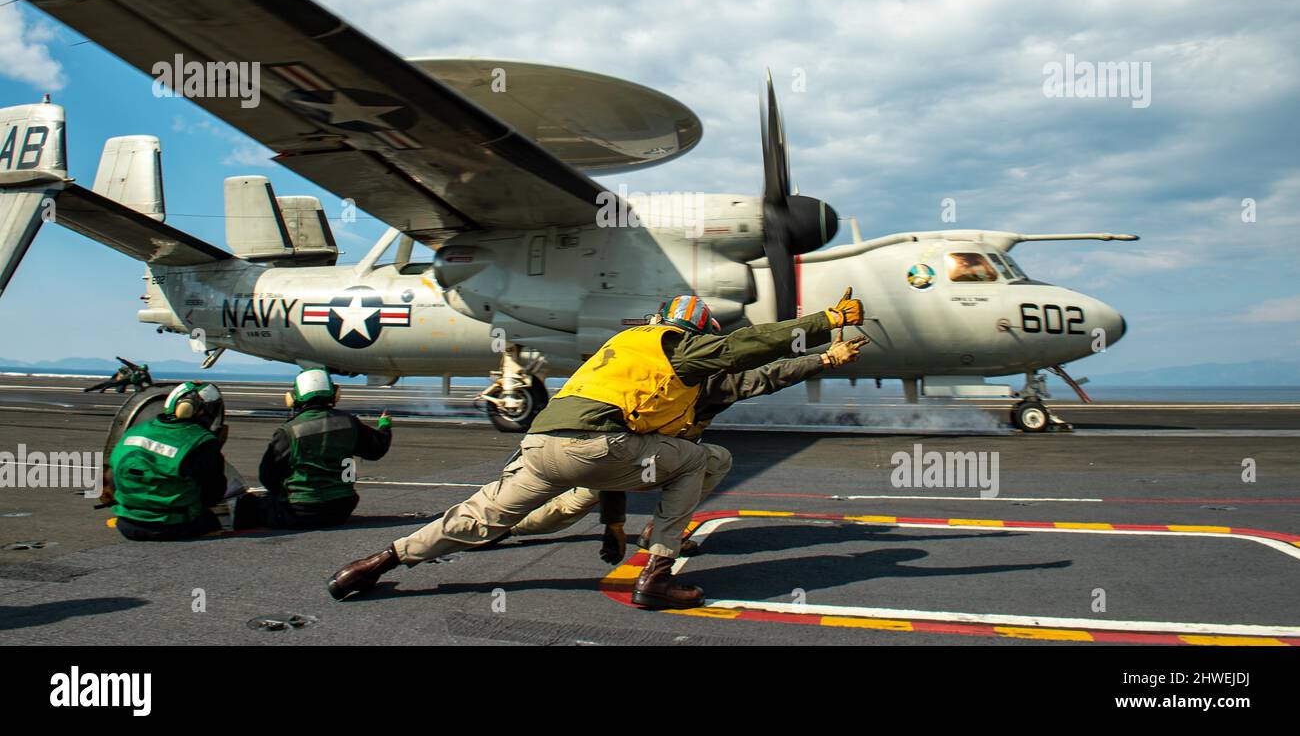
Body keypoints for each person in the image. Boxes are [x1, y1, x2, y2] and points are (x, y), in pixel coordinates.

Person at [327, 289, 864, 609]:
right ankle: (656, 573)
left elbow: (756, 377)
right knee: (704, 459)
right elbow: (746, 352)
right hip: (598, 447)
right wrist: (826, 324)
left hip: (543, 441)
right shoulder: (677, 350)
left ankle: (376, 562)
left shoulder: (625, 348)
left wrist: (822, 360)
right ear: (693, 332)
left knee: (478, 515)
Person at [509, 332, 868, 561]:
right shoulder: (649, 380)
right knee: (573, 504)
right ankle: (510, 529)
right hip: (623, 456)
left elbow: (768, 375)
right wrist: (615, 525)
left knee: (710, 461)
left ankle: (658, 535)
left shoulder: (709, 380)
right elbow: (764, 375)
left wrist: (824, 358)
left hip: (656, 458)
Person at [235, 369, 392, 530]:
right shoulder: (349, 422)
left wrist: (284, 493)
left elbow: (267, 476)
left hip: (301, 511)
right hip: (342, 508)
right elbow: (376, 450)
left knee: (246, 504)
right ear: (335, 393)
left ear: (294, 397)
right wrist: (384, 426)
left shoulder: (289, 431)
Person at [109, 381, 228, 541]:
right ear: (204, 411)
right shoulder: (202, 442)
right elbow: (213, 495)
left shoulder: (135, 431)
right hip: (172, 526)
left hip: (126, 524)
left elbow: (113, 478)